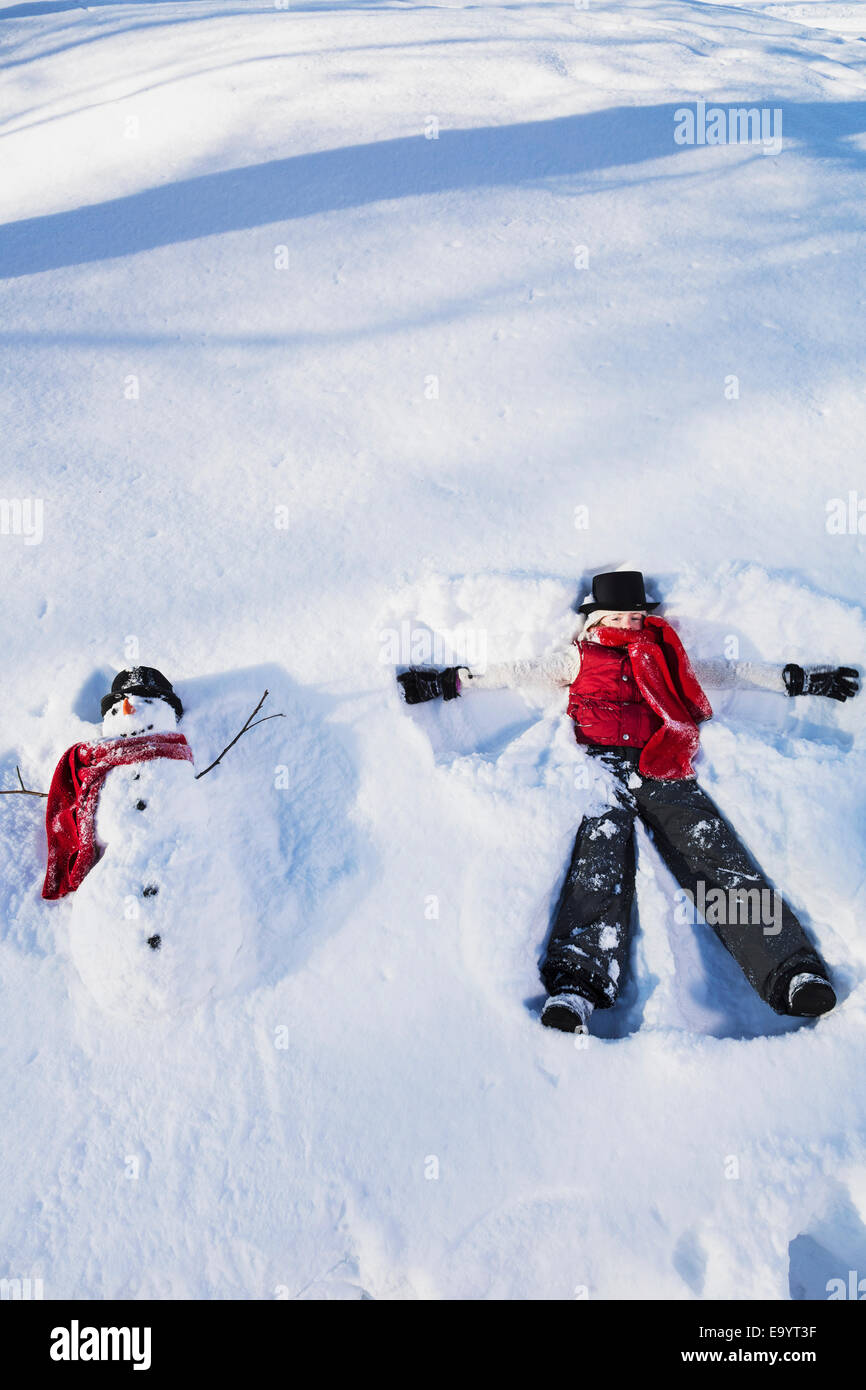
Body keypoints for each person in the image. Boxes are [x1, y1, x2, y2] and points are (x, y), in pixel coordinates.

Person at [397, 571, 860, 1032]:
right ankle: (577, 987)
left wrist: (796, 679)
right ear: (594, 619)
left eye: (636, 616)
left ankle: (792, 973)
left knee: (714, 856)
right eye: (618, 615)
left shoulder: (663, 656)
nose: (629, 624)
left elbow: (727, 671)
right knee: (600, 863)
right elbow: (516, 672)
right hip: (599, 771)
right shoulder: (577, 658)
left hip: (660, 765)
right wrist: (450, 682)